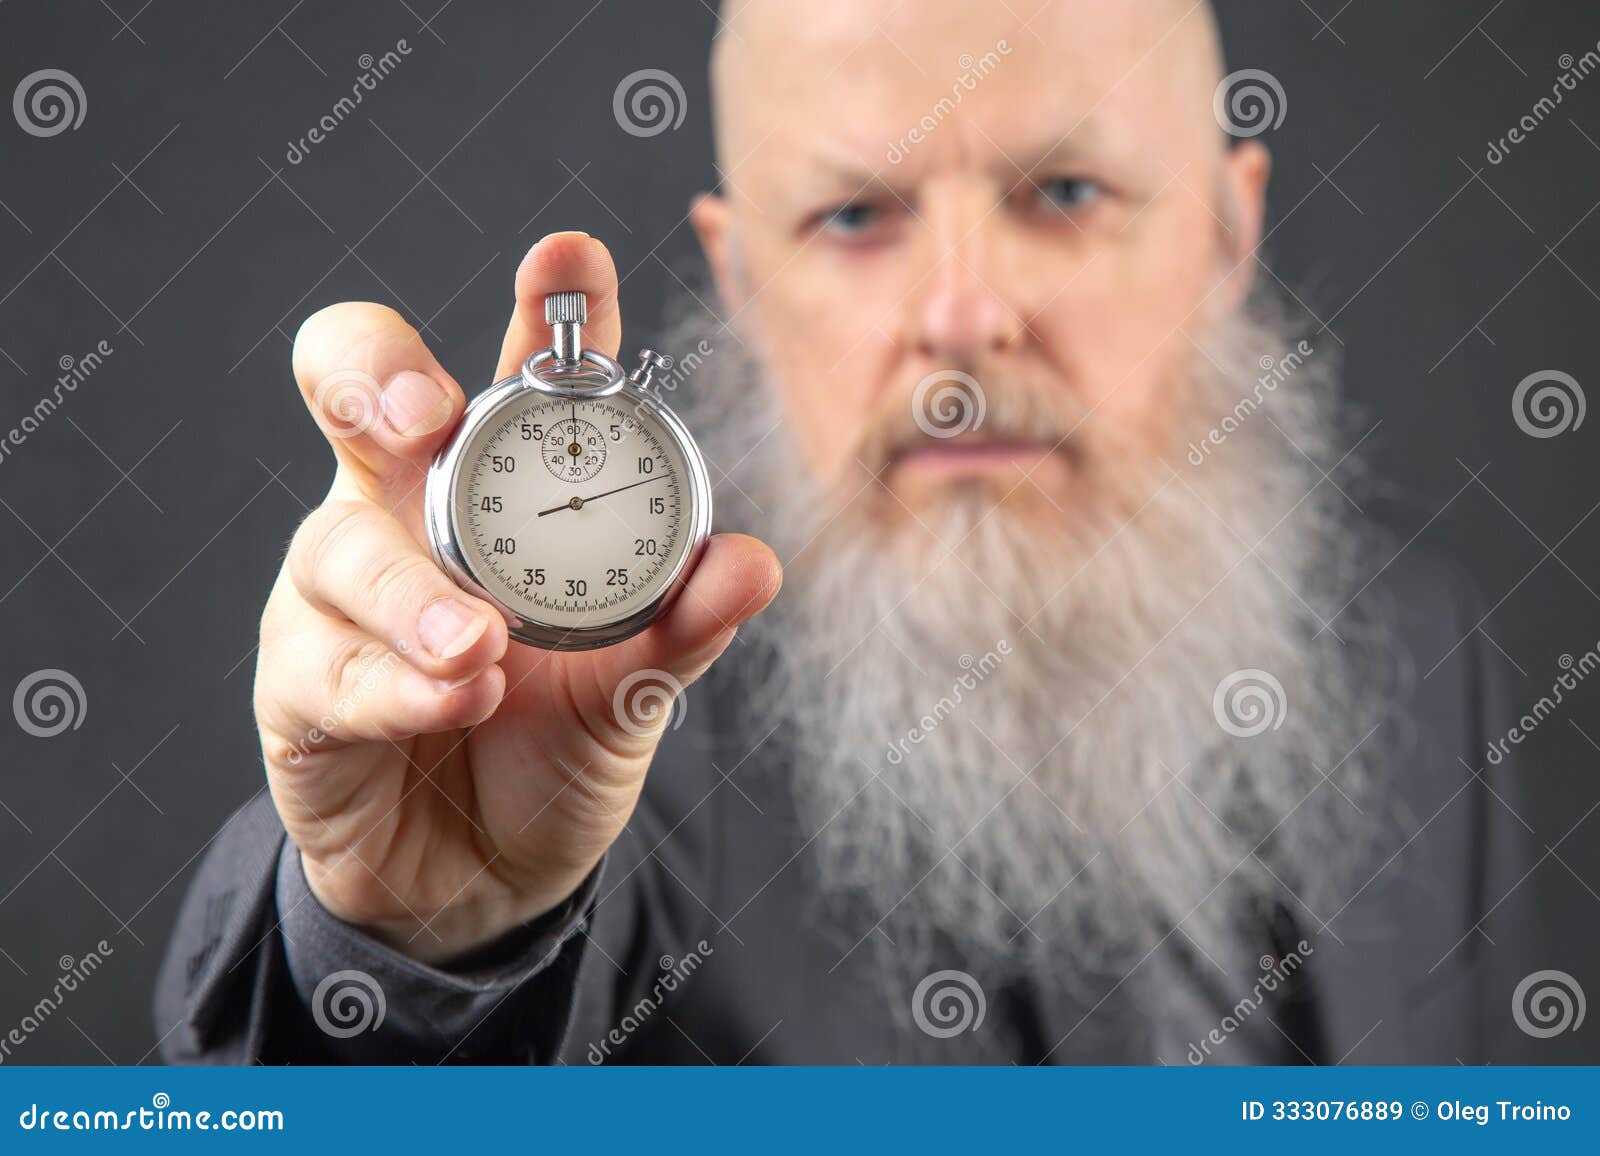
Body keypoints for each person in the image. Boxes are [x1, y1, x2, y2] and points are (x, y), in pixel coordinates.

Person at [156, 0, 1537, 1063]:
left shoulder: (1421, 643)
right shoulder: (604, 748)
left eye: (1063, 193)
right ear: (743, 281)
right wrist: (415, 940)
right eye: (857, 213)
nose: (961, 314)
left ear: (1229, 236)